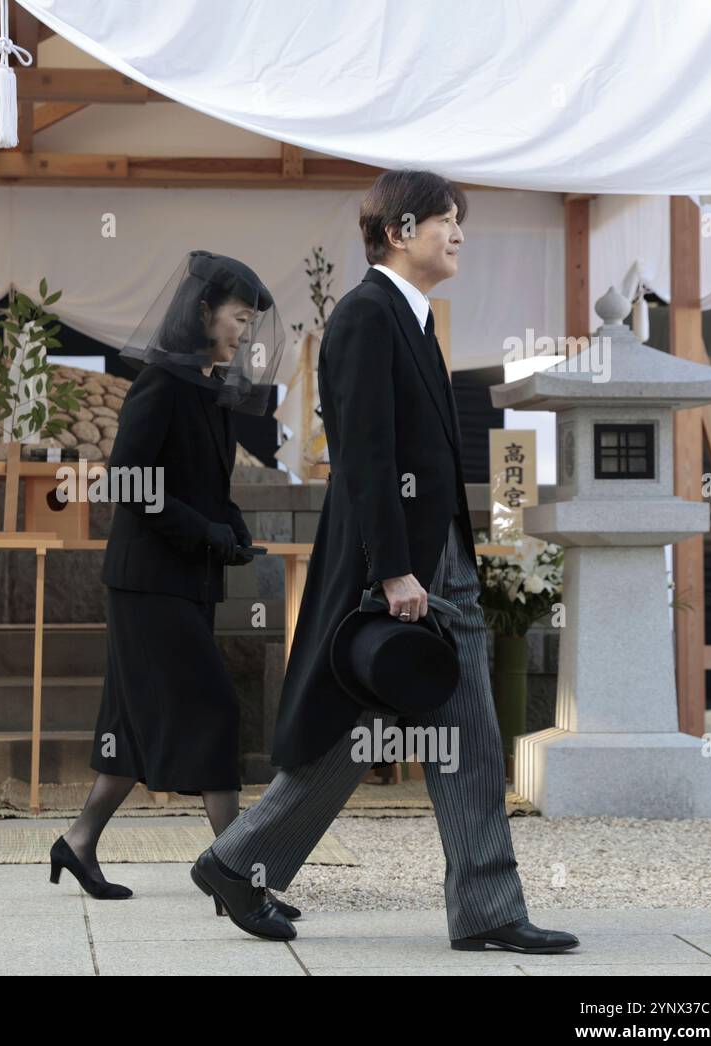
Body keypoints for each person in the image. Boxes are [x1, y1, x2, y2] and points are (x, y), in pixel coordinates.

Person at [190, 171, 580, 954]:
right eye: (446, 220)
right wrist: (395, 570)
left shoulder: (410, 317)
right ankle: (248, 861)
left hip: (434, 552)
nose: (459, 233)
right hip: (403, 559)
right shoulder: (369, 316)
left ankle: (477, 905)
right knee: (375, 714)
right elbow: (366, 455)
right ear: (400, 231)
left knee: (445, 721)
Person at [49, 250, 292, 911]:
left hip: (183, 579)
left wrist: (232, 527)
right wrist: (207, 533)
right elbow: (130, 484)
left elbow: (205, 487)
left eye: (249, 321)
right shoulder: (160, 384)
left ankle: (78, 841)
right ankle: (237, 875)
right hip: (148, 582)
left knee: (129, 730)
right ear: (204, 312)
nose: (244, 332)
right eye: (238, 317)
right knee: (214, 709)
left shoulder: (211, 389)